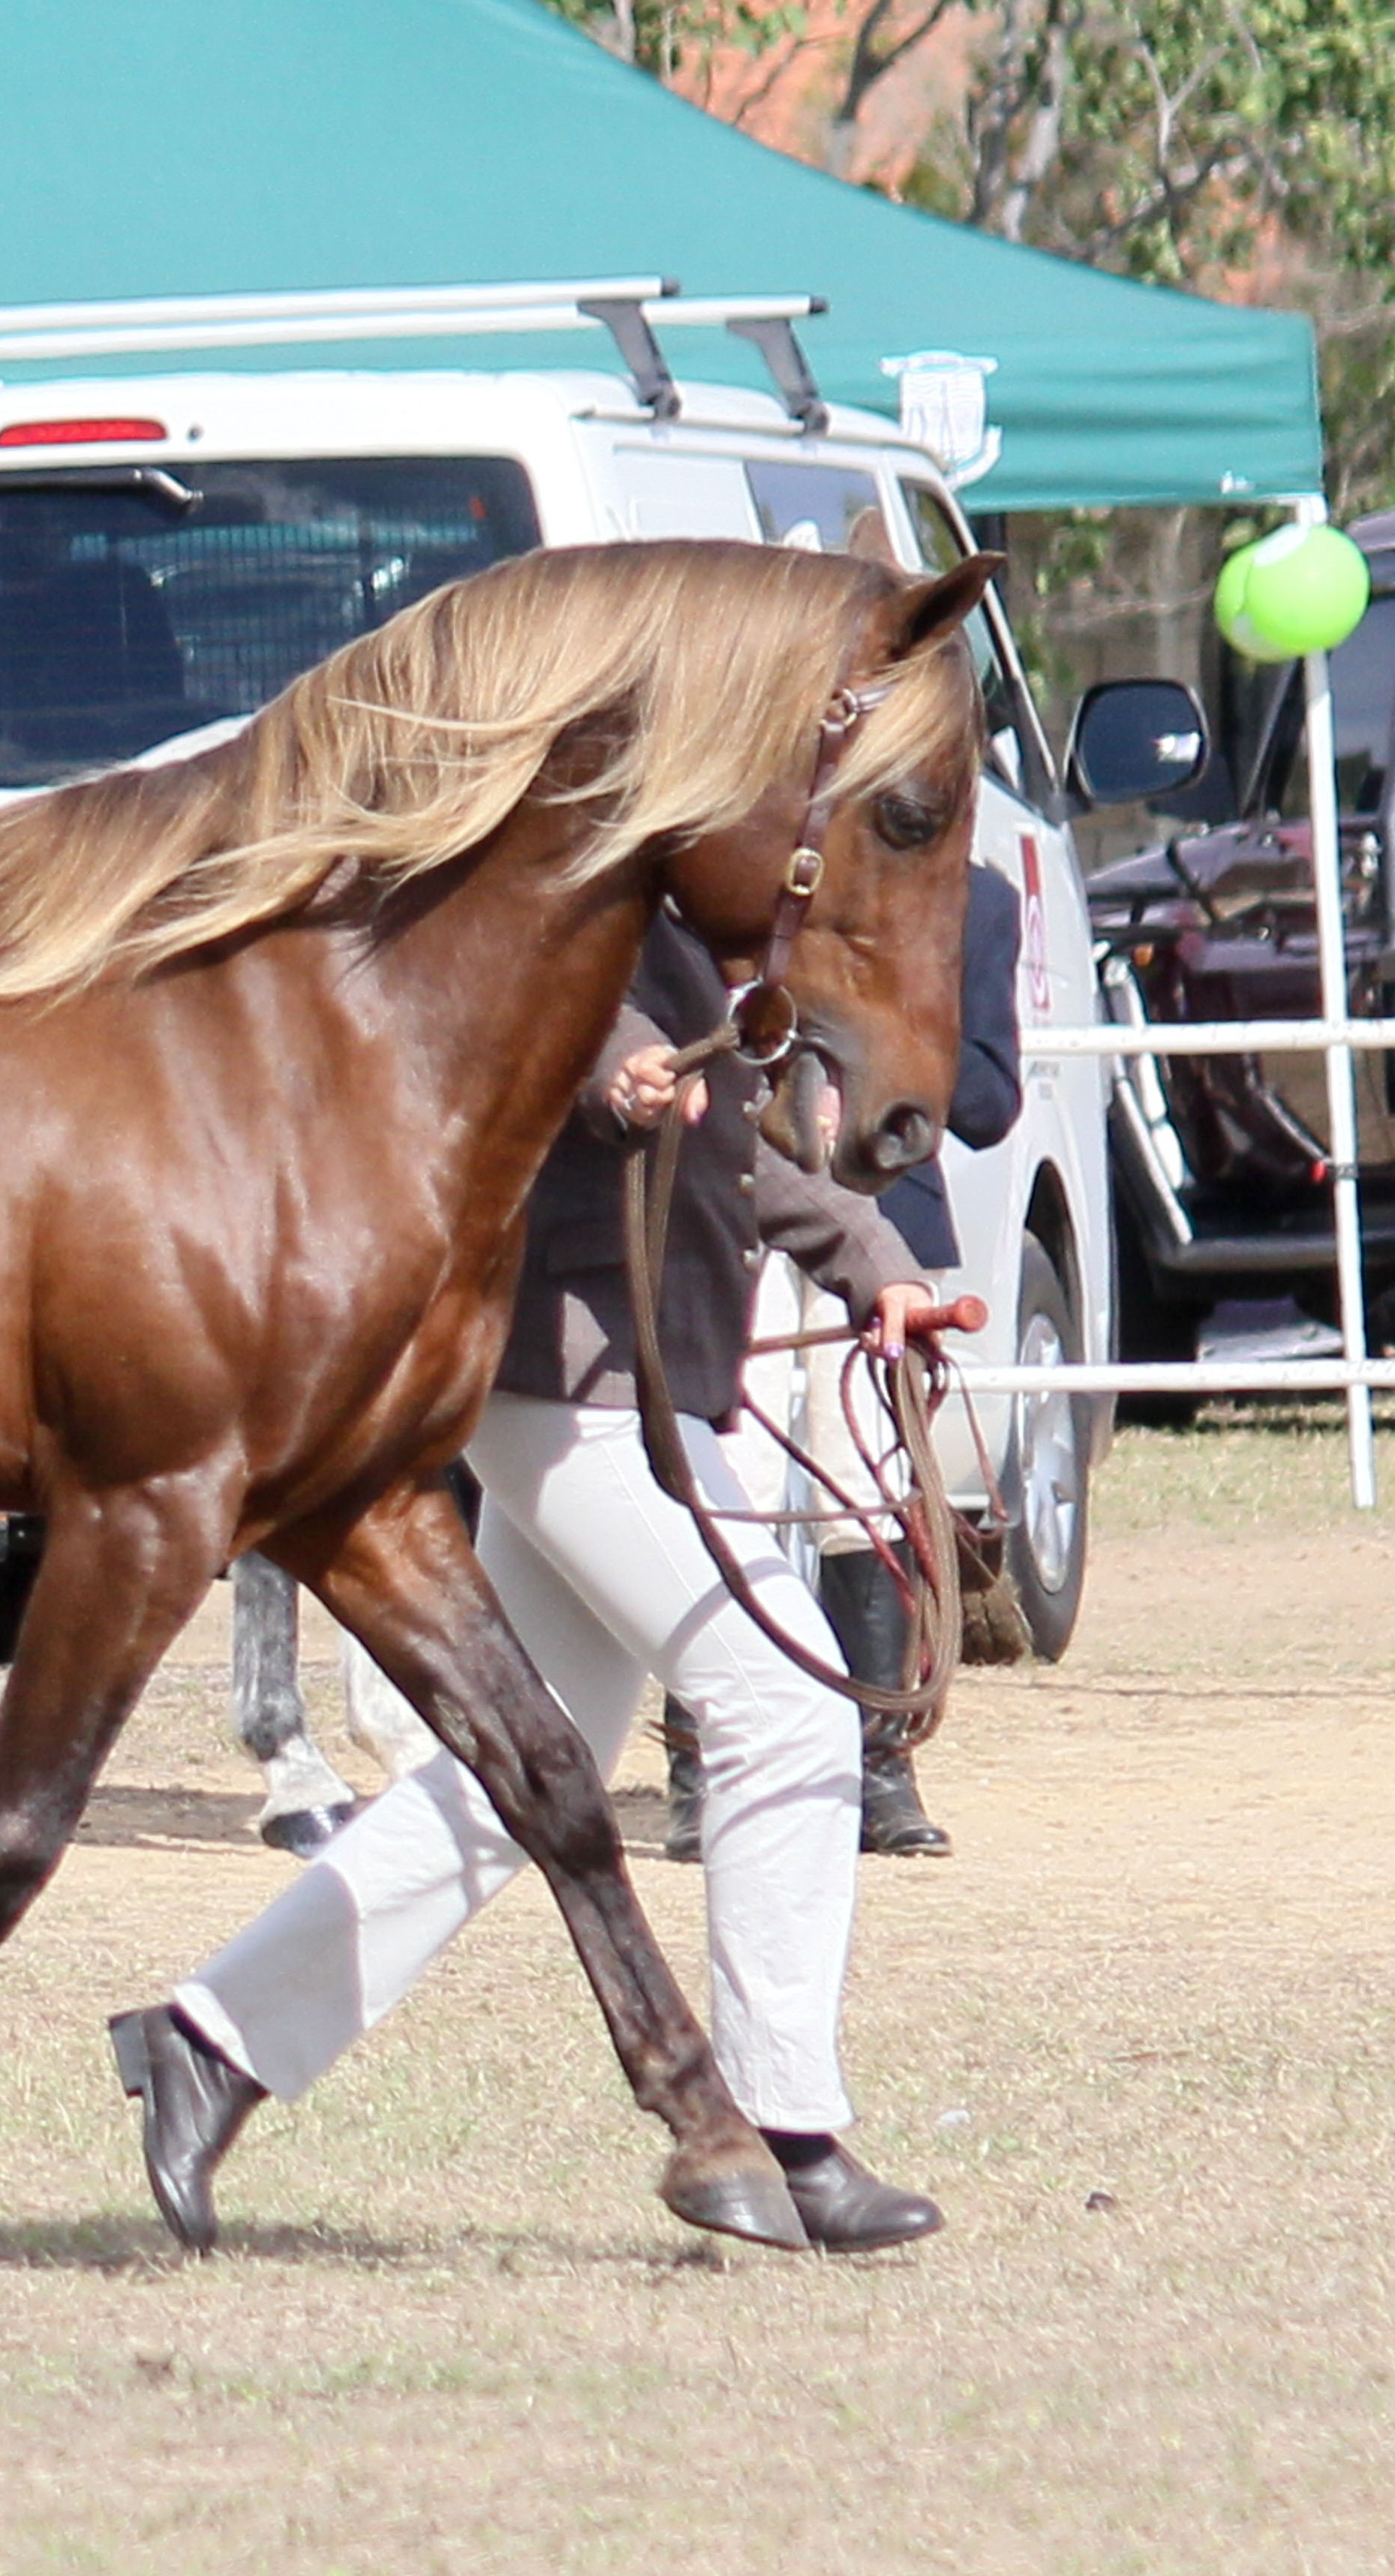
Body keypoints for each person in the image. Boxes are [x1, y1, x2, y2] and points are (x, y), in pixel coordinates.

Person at [107, 918, 957, 2258]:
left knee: (505, 1778)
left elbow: (726, 1161)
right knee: (784, 1695)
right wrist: (614, 1062)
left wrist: (872, 1263)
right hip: (563, 1378)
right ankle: (781, 2125)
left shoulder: (688, 921)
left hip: (628, 1375)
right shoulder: (586, 882)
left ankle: (206, 2042)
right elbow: (527, 999)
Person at [657, 855, 1022, 1861]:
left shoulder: (977, 902)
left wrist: (869, 1090)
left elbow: (990, 1095)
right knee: (736, 1476)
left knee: (866, 1484)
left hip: (881, 1211)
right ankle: (703, 1762)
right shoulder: (742, 882)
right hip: (737, 1202)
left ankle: (880, 1765)